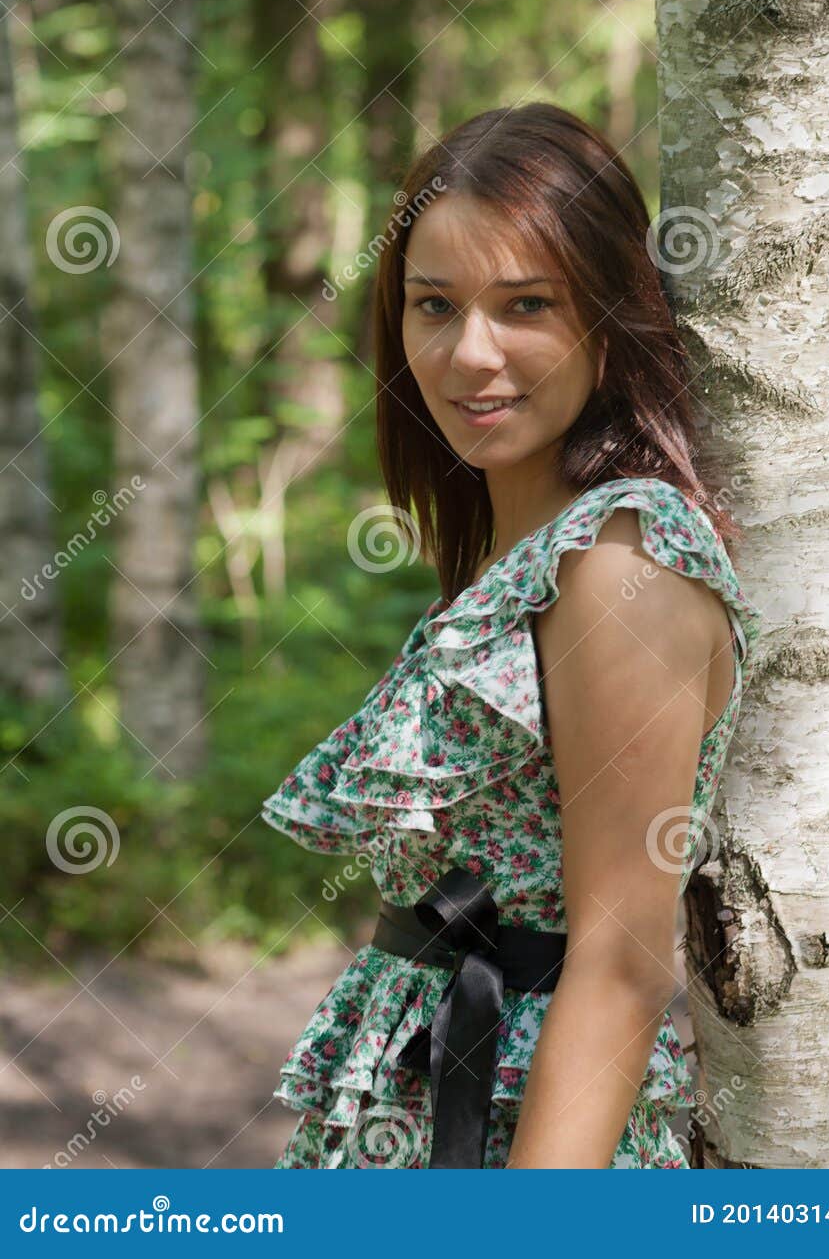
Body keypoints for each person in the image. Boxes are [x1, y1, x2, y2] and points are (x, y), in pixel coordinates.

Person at [262, 101, 762, 1169]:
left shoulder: (621, 558)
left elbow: (622, 962)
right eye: (432, 305)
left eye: (525, 304)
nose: (469, 352)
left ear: (607, 314)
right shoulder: (518, 546)